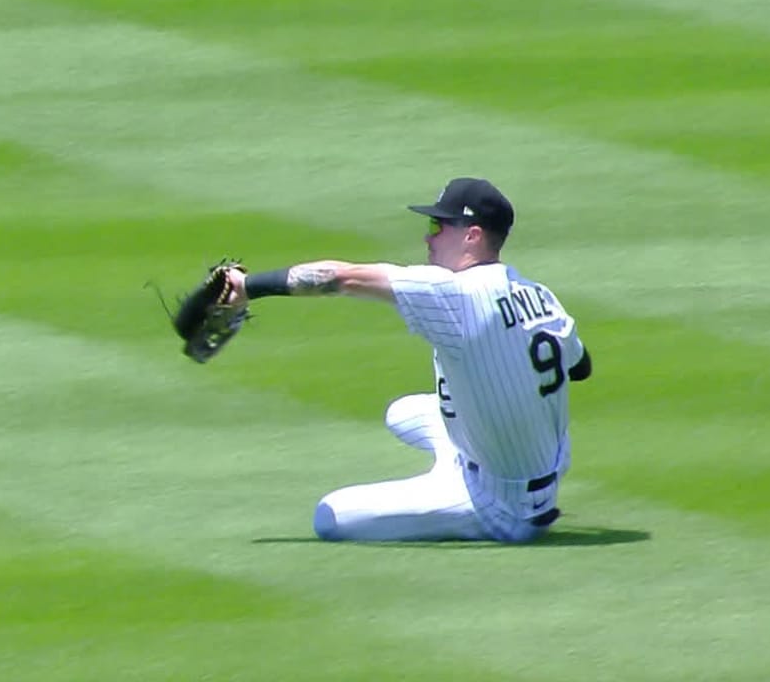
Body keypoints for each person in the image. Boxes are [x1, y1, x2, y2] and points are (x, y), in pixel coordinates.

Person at [223, 177, 592, 543]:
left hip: (501, 506)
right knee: (401, 412)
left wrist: (246, 286)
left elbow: (341, 278)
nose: (428, 238)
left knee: (330, 517)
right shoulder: (539, 294)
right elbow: (580, 367)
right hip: (538, 469)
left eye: (438, 226)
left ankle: (470, 492)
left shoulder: (455, 293)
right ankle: (481, 461)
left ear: (472, 235)